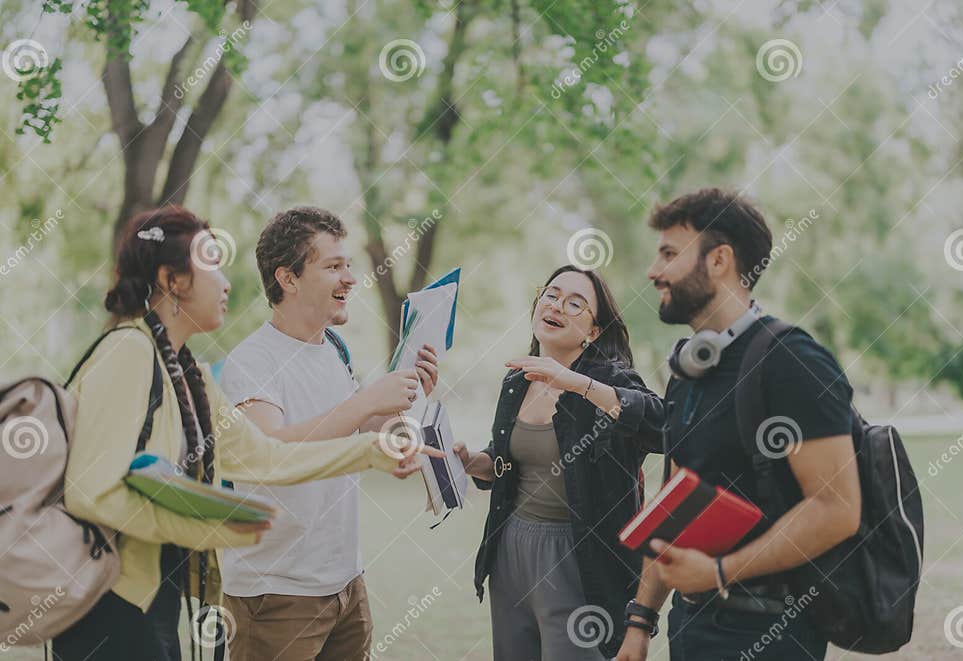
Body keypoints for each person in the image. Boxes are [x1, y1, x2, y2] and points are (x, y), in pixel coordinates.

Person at [52, 206, 437, 661]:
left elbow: (266, 456)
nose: (227, 283)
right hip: (109, 605)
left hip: (156, 595)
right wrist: (206, 524)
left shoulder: (187, 370)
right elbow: (89, 493)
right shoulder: (128, 351)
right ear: (173, 281)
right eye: (212, 266)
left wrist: (371, 450)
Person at [615, 188, 861, 661]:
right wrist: (640, 622)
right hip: (692, 627)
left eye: (669, 253)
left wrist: (720, 572)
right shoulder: (688, 373)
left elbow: (837, 508)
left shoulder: (793, 361)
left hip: (772, 632)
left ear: (719, 260)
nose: (653, 270)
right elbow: (672, 509)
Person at [219, 206, 440, 661]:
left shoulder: (335, 347)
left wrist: (405, 399)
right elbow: (269, 451)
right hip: (277, 594)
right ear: (289, 278)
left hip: (345, 584)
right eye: (333, 266)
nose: (350, 278)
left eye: (349, 266)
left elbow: (353, 428)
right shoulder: (252, 361)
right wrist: (365, 400)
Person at [454, 265, 667, 660]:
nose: (556, 306)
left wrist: (575, 384)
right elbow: (507, 463)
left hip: (579, 557)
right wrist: (471, 462)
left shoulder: (610, 380)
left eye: (575, 303)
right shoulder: (518, 379)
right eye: (551, 295)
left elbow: (661, 425)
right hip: (511, 548)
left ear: (594, 331)